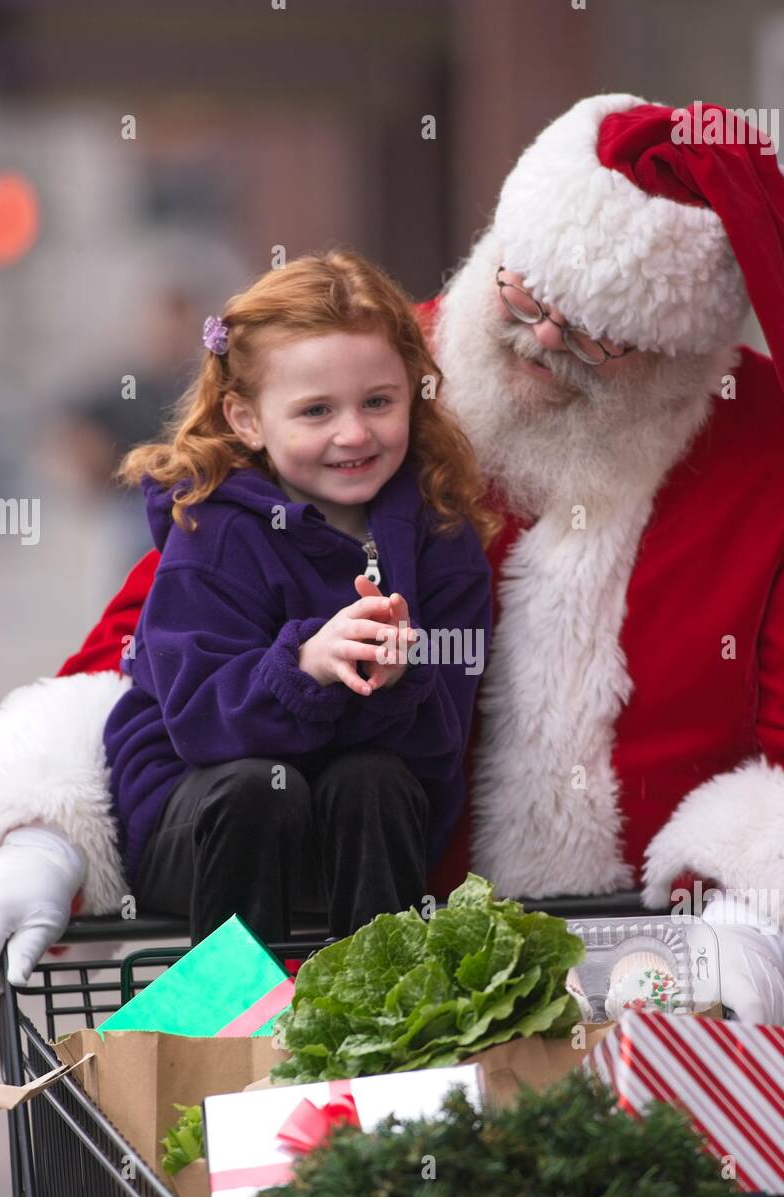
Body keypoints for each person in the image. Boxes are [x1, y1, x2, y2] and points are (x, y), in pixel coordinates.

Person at [0, 94, 784, 1197]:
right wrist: (49, 826)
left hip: (609, 1003)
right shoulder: (371, 379)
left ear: (680, 345)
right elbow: (153, 634)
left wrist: (755, 913)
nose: (541, 343)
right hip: (333, 965)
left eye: (593, 336)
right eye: (523, 298)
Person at [46, 249, 495, 948]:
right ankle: (235, 1025)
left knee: (374, 780)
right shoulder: (215, 527)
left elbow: (441, 754)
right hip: (199, 812)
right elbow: (199, 724)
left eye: (378, 401)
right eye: (316, 410)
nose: (354, 433)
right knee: (260, 785)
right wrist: (307, 665)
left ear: (414, 392)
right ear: (248, 420)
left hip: (354, 824)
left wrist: (401, 682)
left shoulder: (441, 538)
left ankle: (381, 1012)